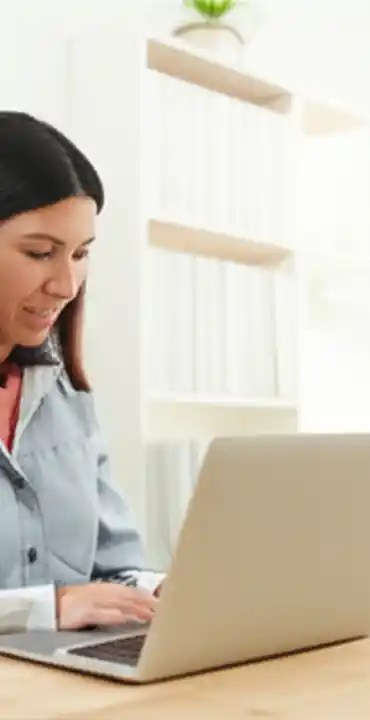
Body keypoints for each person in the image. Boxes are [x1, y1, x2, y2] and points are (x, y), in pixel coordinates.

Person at [0, 112, 162, 633]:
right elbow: (63, 604)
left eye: (81, 253)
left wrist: (156, 591)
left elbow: (113, 570)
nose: (68, 284)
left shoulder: (65, 397)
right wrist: (44, 611)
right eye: (41, 253)